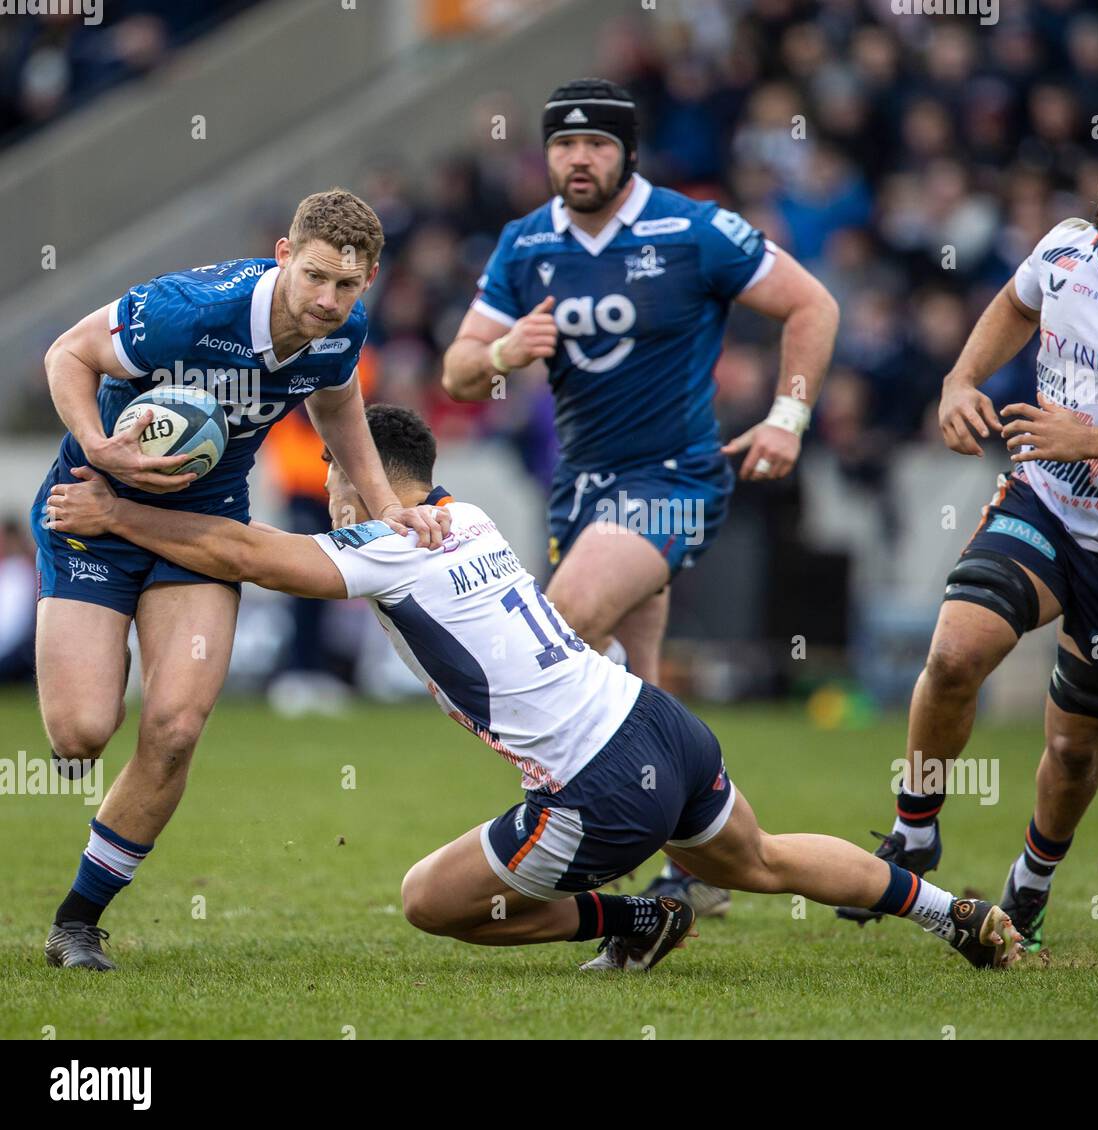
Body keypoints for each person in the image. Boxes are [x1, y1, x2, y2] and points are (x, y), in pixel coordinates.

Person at [45, 404, 1024, 973]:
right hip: (659, 724)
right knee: (759, 859)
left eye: (341, 472)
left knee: (429, 901)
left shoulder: (390, 541)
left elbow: (239, 551)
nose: (333, 491)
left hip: (593, 788)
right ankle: (953, 913)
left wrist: (115, 510)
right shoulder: (459, 513)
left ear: (360, 481)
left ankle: (634, 918)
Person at [837, 105, 1098, 951]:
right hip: (1042, 502)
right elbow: (1012, 306)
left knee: (1071, 748)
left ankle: (1031, 882)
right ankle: (915, 829)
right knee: (954, 654)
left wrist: (1089, 437)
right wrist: (959, 381)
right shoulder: (1063, 247)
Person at [441, 78, 839, 916]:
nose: (577, 159)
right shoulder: (525, 244)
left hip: (672, 480)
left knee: (560, 627)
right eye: (561, 144)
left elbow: (812, 302)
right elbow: (457, 371)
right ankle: (698, 864)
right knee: (638, 686)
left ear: (628, 152)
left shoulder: (693, 229)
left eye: (595, 144)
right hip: (578, 492)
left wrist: (788, 418)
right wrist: (507, 350)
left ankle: (571, 832)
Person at [32, 188, 443, 971]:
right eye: (315, 277)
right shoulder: (188, 310)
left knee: (176, 726)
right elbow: (66, 354)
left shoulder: (342, 329)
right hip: (95, 505)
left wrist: (386, 504)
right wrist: (98, 443)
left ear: (371, 279)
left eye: (348, 286)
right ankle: (92, 657)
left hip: (202, 529)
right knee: (81, 732)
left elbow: (338, 402)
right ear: (283, 256)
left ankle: (78, 922)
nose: (328, 301)